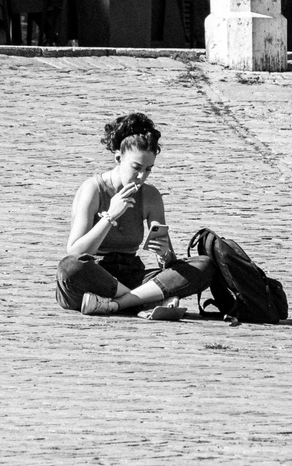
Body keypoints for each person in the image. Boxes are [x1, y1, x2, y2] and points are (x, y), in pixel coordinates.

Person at [56, 113, 215, 316]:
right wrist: (110, 216)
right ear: (118, 158)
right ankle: (142, 300)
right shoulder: (93, 189)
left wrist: (164, 253)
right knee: (69, 268)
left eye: (148, 169)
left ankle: (118, 304)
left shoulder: (150, 195)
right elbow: (75, 252)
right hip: (95, 274)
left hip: (131, 275)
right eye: (136, 168)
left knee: (204, 265)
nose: (141, 176)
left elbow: (168, 263)